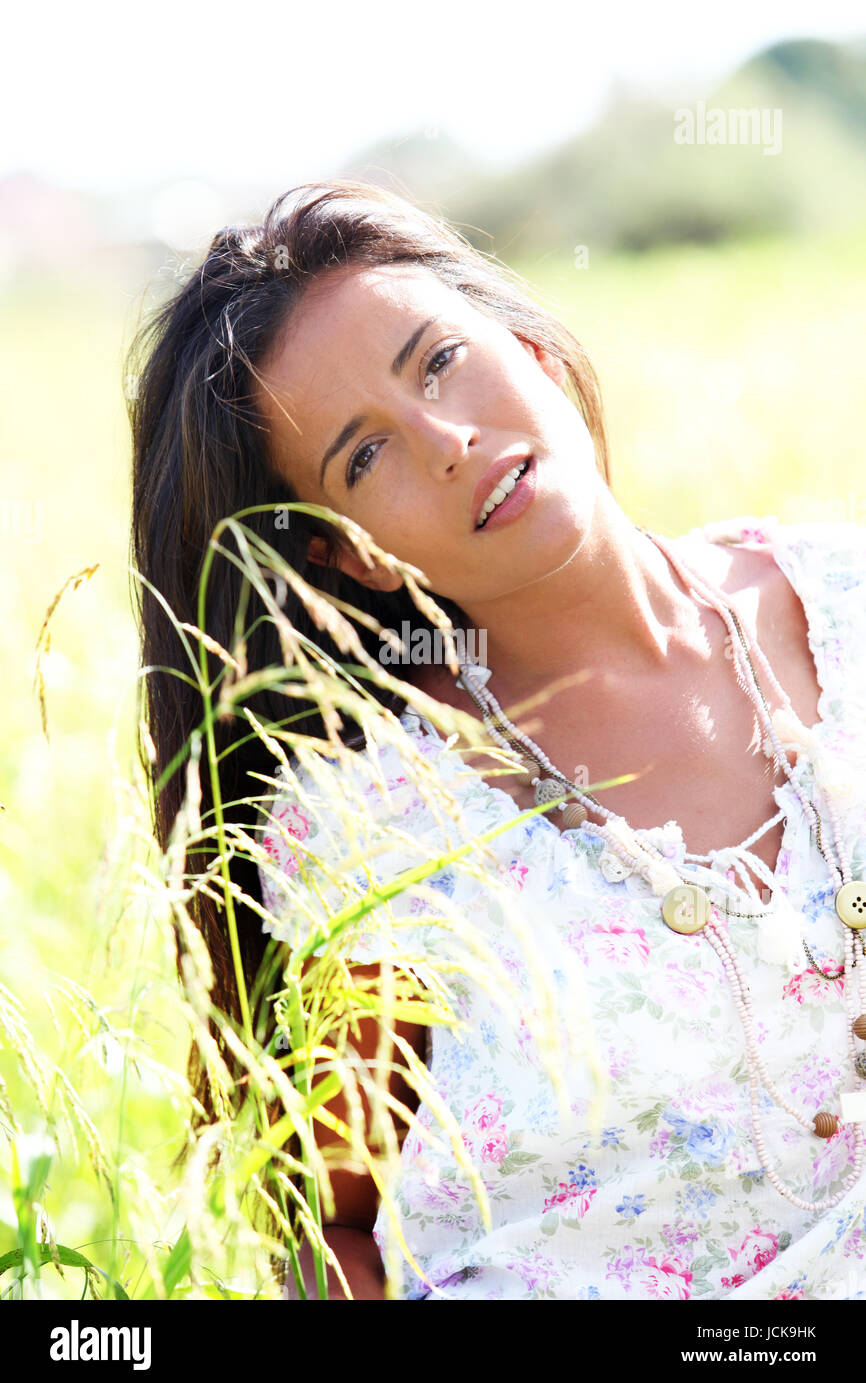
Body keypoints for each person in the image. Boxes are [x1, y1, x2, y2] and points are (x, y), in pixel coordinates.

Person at [129, 178, 866, 1301]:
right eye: (362, 457)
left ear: (533, 349)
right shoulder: (379, 821)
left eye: (438, 361)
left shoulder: (846, 605)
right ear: (349, 555)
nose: (442, 438)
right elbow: (332, 1231)